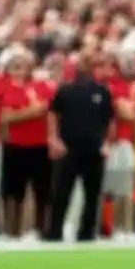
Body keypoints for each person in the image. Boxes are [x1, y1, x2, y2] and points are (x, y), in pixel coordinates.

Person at [45, 55, 113, 242]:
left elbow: (109, 120)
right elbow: (52, 114)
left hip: (94, 148)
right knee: (61, 193)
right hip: (68, 148)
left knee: (92, 194)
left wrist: (107, 142)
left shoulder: (102, 91)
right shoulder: (65, 90)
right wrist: (54, 139)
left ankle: (87, 233)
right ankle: (54, 232)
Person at [0, 48, 54, 239]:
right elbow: (4, 117)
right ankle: (11, 229)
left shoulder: (40, 86)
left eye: (23, 66)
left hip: (40, 144)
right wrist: (30, 111)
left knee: (42, 190)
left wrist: (20, 113)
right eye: (15, 66)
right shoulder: (3, 87)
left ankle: (39, 229)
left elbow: (47, 108)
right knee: (13, 190)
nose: (19, 70)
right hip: (15, 144)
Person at [98, 54, 135, 241]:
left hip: (122, 141)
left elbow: (131, 114)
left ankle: (124, 227)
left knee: (124, 189)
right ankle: (100, 227)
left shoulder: (124, 88)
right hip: (102, 141)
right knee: (101, 188)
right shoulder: (99, 88)